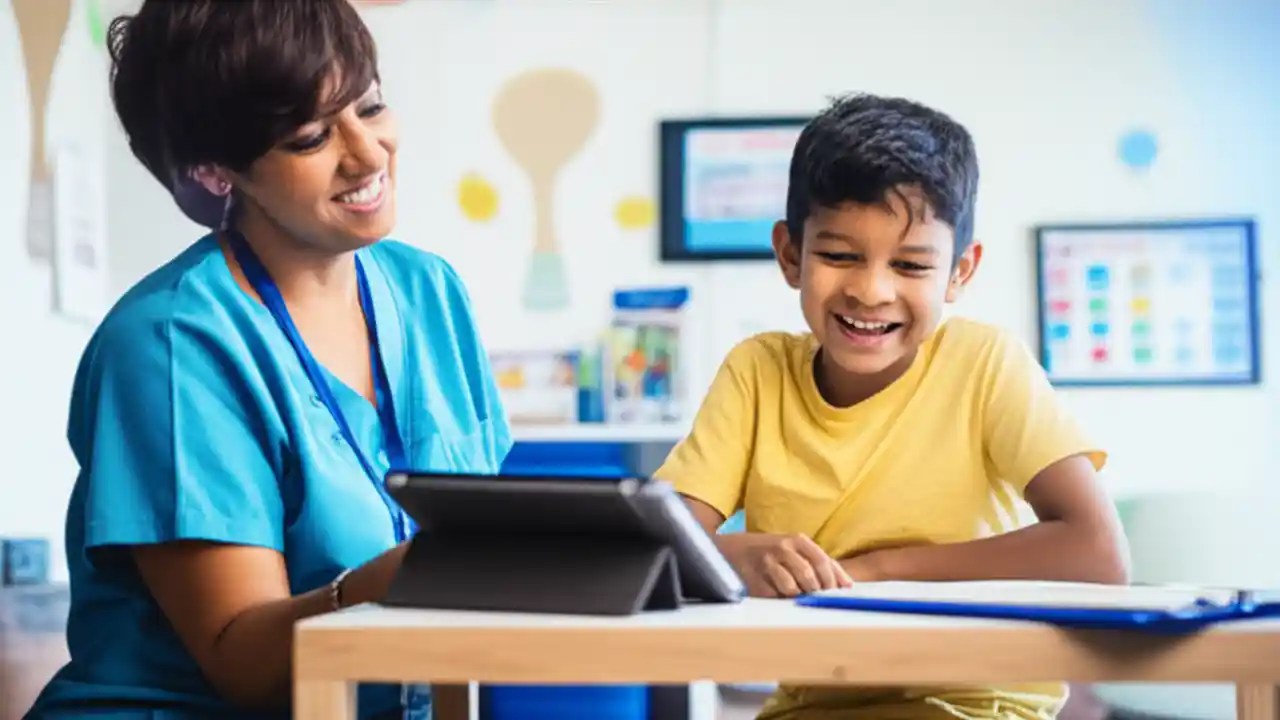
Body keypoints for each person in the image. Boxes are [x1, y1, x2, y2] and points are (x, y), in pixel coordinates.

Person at [26, 2, 509, 719]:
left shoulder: (430, 293)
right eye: (311, 138)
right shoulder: (171, 343)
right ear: (219, 170)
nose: (368, 154)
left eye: (371, 106)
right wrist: (398, 578)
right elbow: (247, 667)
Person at [656, 94, 1131, 719]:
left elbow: (1097, 553)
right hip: (812, 707)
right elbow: (656, 546)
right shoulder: (757, 373)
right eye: (839, 255)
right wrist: (730, 554)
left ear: (959, 272)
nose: (871, 290)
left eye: (910, 264)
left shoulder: (984, 364)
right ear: (791, 255)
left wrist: (880, 569)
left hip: (976, 706)